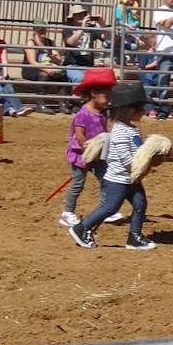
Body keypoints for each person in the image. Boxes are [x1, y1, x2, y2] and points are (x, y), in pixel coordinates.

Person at [68, 81, 155, 251]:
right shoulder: (120, 131)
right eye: (141, 108)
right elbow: (126, 160)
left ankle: (134, 236)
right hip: (118, 179)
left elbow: (138, 151)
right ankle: (82, 227)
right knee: (110, 207)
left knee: (140, 204)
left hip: (131, 178)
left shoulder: (132, 129)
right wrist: (142, 168)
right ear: (130, 110)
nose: (144, 112)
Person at [59, 68, 116, 228]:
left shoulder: (102, 113)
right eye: (106, 96)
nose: (109, 99)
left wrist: (101, 150)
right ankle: (67, 212)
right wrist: (89, 150)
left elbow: (103, 132)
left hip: (97, 155)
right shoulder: (83, 113)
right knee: (78, 183)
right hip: (81, 154)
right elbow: (79, 134)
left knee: (105, 180)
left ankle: (104, 210)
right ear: (93, 93)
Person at [20, 21, 69, 112]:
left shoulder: (50, 42)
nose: (42, 31)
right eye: (40, 30)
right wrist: (46, 69)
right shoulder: (31, 43)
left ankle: (63, 103)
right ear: (35, 31)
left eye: (44, 29)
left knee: (63, 74)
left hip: (49, 67)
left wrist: (54, 59)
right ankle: (40, 104)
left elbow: (59, 60)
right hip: (32, 68)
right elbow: (32, 62)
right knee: (43, 75)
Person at [60, 4, 107, 88]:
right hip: (72, 65)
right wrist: (82, 28)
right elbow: (70, 42)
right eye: (77, 14)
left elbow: (107, 38)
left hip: (88, 65)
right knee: (80, 78)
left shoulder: (91, 28)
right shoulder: (68, 28)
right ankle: (76, 100)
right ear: (72, 18)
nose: (81, 16)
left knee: (102, 79)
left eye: (83, 14)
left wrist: (102, 23)